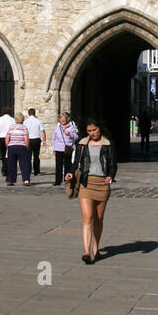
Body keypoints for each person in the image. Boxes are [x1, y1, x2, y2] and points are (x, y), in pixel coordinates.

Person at [66, 119, 116, 263]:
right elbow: (76, 163)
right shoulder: (82, 144)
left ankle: (96, 248)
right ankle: (87, 252)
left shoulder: (108, 144)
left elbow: (113, 164)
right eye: (89, 131)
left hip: (102, 184)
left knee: (98, 219)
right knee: (87, 217)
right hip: (86, 183)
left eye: (94, 130)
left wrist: (110, 176)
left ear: (100, 129)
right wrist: (70, 172)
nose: (92, 133)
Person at [5, 112, 31, 187]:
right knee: (24, 164)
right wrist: (27, 146)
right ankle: (26, 180)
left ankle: (10, 180)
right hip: (21, 147)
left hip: (12, 147)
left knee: (11, 164)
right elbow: (26, 138)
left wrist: (7, 146)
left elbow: (7, 137)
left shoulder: (11, 127)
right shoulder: (24, 128)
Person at [52, 112, 79, 185]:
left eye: (64, 119)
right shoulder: (57, 127)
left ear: (67, 119)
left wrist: (70, 134)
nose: (63, 120)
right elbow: (54, 138)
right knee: (58, 165)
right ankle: (58, 181)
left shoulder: (71, 127)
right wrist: (54, 148)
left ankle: (66, 179)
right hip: (58, 148)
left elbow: (76, 137)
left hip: (67, 148)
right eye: (61, 119)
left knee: (67, 165)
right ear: (59, 119)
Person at [0, 109, 15, 177]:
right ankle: (8, 169)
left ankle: (4, 169)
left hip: (1, 138)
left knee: (3, 154)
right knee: (9, 154)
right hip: (10, 138)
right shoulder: (12, 120)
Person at [25, 108, 46, 176]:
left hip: (28, 139)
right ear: (34, 113)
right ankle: (36, 171)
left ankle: (28, 171)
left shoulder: (25, 122)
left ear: (28, 113)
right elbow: (42, 131)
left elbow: (24, 131)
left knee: (28, 156)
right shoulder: (38, 121)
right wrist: (44, 140)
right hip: (36, 139)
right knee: (36, 156)